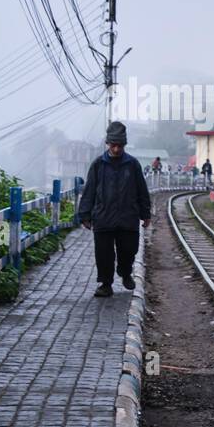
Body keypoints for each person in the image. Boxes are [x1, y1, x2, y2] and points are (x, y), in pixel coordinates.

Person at [77, 122, 151, 298]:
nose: (116, 149)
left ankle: (125, 272)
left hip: (128, 217)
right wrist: (85, 215)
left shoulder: (133, 165)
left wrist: (145, 213)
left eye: (120, 146)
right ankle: (105, 284)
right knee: (104, 254)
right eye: (113, 145)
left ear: (124, 145)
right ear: (108, 144)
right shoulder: (98, 165)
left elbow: (142, 190)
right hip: (103, 217)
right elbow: (89, 190)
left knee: (129, 250)